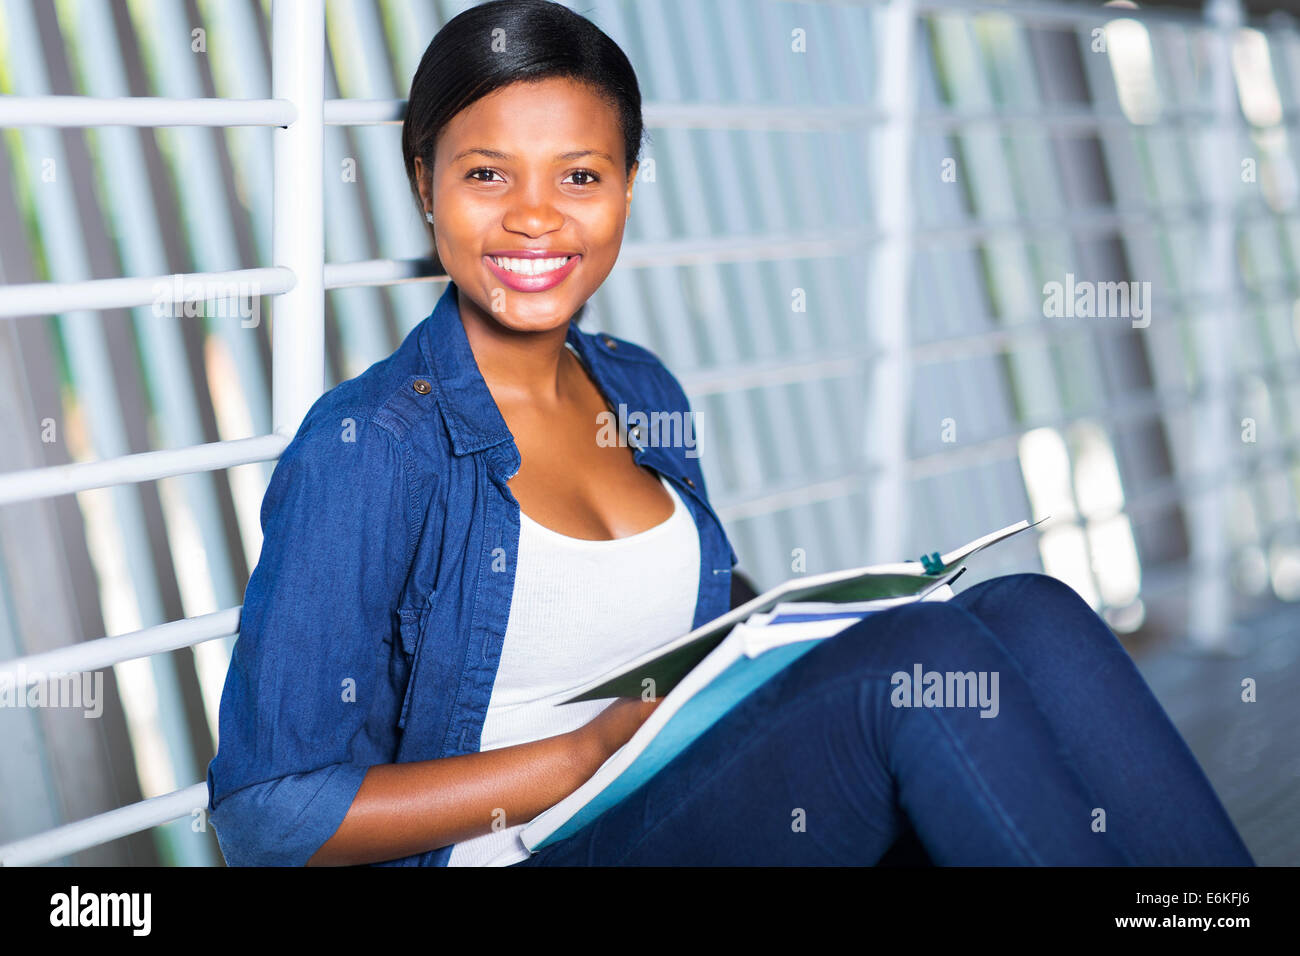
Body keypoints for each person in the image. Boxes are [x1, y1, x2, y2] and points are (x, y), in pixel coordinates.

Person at [205, 0, 1254, 867]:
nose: (537, 216)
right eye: (488, 174)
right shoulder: (371, 443)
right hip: (538, 844)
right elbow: (268, 812)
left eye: (580, 174)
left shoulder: (636, 384)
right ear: (422, 183)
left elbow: (677, 620)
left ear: (623, 188)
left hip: (678, 780)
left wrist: (815, 622)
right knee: (913, 664)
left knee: (1026, 607)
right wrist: (584, 749)